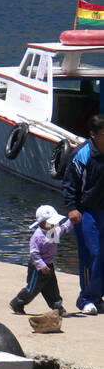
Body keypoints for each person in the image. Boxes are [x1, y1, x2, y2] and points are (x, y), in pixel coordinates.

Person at [62, 114, 104, 314]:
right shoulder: (82, 153)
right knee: (91, 254)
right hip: (86, 211)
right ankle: (86, 298)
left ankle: (98, 297)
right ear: (93, 135)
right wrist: (72, 208)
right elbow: (70, 184)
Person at [10, 204, 72, 316]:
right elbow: (34, 253)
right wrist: (41, 265)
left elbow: (64, 229)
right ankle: (17, 303)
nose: (55, 224)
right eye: (52, 222)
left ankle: (57, 306)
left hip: (49, 265)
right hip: (37, 267)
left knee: (52, 288)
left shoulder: (53, 231)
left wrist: (72, 221)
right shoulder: (37, 236)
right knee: (32, 288)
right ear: (43, 223)